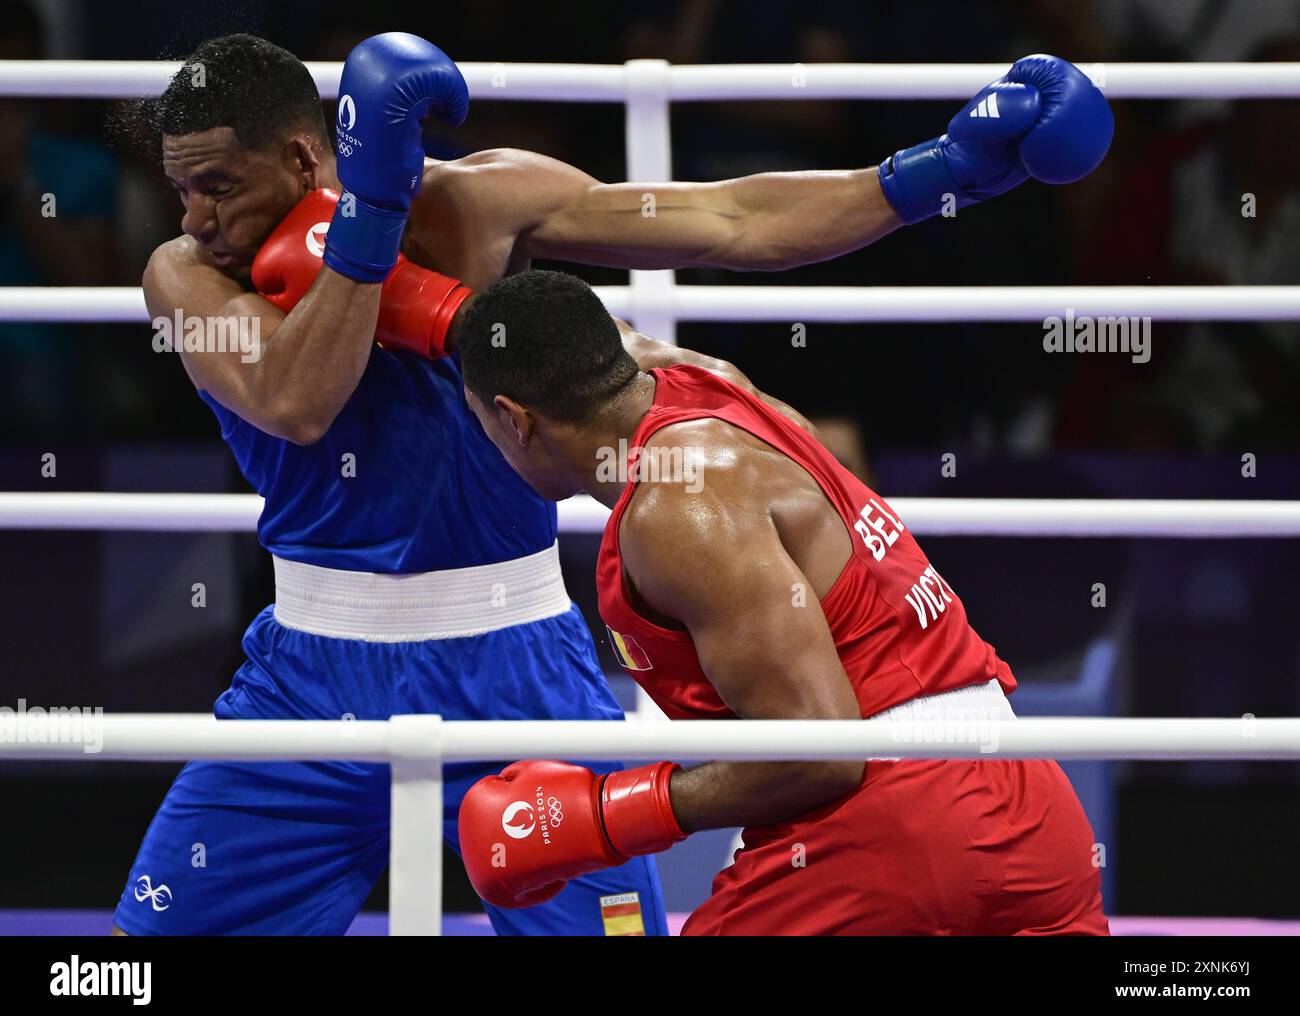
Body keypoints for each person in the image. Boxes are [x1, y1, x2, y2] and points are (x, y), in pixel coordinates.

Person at [117, 30, 1110, 935]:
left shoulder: (475, 200)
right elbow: (297, 402)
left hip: (516, 666)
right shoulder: (186, 276)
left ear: (300, 158)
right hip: (308, 678)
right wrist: (366, 224)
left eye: (216, 186)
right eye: (181, 191)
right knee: (138, 962)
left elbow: (731, 219)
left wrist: (927, 174)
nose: (196, 218)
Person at [454, 269, 1110, 935]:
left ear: (515, 418)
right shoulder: (706, 380)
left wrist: (609, 813)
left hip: (896, 822)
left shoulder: (676, 508)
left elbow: (821, 750)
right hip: (1030, 811)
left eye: (480, 421)